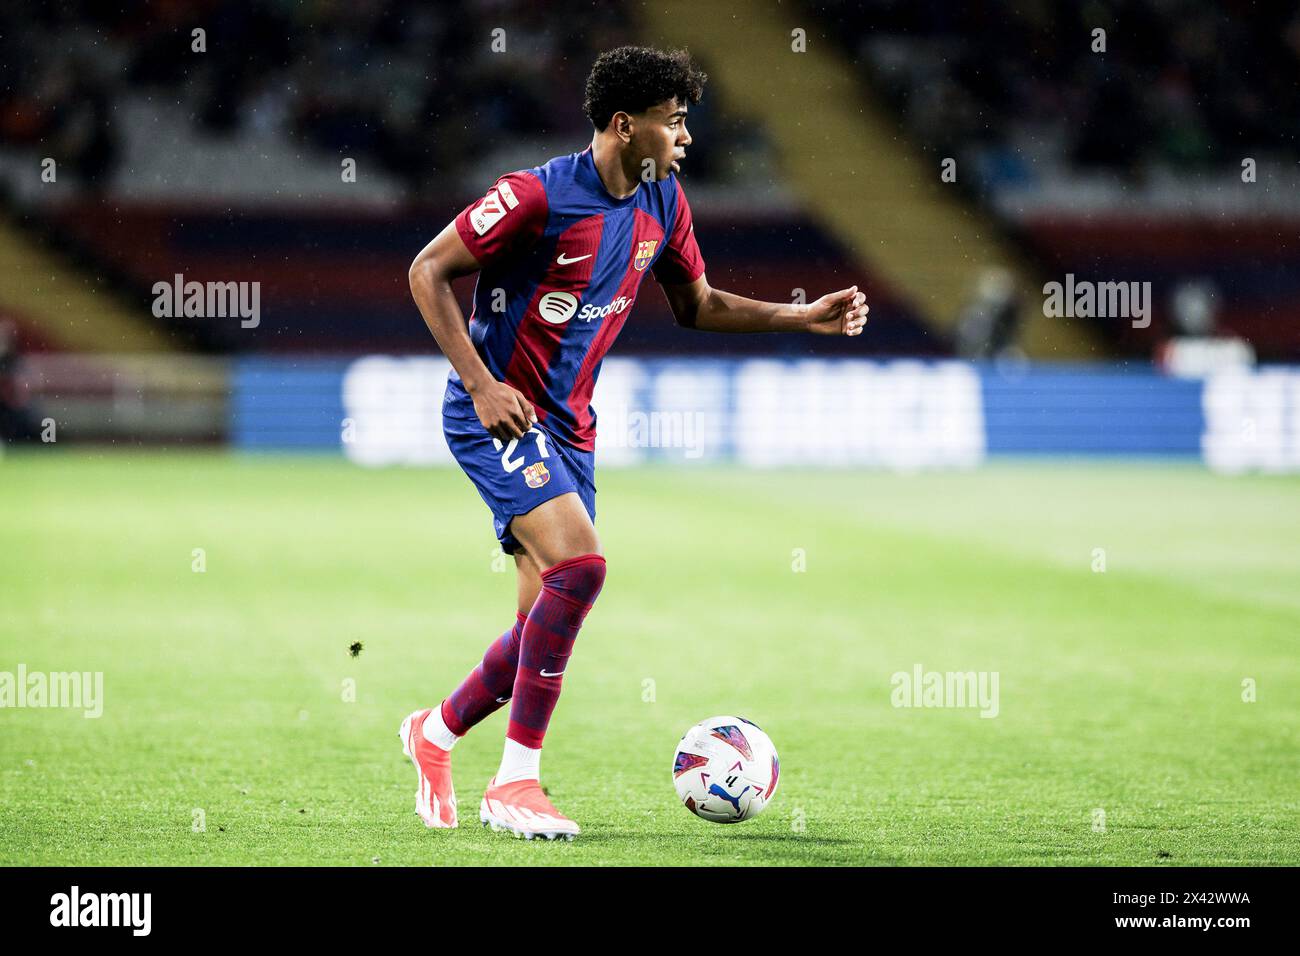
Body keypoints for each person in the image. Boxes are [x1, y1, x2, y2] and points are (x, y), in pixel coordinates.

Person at [402, 46, 868, 840]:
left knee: (537, 624)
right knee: (582, 568)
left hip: (572, 430)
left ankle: (436, 732)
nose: (685, 137)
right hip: (500, 415)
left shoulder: (664, 202)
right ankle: (517, 782)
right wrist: (481, 384)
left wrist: (800, 316)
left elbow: (699, 303)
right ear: (626, 125)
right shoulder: (535, 196)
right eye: (674, 121)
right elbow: (426, 269)